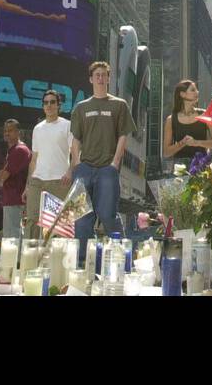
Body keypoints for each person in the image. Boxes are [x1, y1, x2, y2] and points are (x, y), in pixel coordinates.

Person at [68, 61, 133, 264]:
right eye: (97, 74)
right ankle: (82, 263)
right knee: (81, 220)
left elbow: (123, 136)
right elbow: (76, 139)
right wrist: (76, 164)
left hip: (107, 169)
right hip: (84, 167)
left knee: (107, 215)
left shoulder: (119, 105)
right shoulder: (81, 107)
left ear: (108, 78)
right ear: (90, 79)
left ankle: (123, 259)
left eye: (104, 75)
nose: (100, 78)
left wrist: (114, 163)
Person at [26, 90, 71, 239]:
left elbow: (76, 154)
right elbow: (34, 158)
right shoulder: (37, 128)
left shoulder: (67, 125)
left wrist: (70, 173)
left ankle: (55, 260)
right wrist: (28, 184)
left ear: (59, 105)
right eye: (46, 103)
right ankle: (29, 257)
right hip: (37, 181)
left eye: (52, 102)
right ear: (43, 106)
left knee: (58, 224)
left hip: (59, 181)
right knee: (32, 220)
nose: (49, 105)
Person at [163, 79, 212, 167]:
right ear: (182, 94)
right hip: (180, 170)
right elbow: (166, 152)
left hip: (201, 169)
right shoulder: (171, 119)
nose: (197, 92)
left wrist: (197, 142)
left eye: (197, 90)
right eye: (193, 90)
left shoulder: (206, 114)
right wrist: (182, 143)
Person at [0, 119, 31, 239]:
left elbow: (3, 176)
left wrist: (2, 177)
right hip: (12, 200)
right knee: (12, 235)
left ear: (18, 132)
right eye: (5, 131)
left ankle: (16, 259)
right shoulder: (13, 150)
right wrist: (2, 177)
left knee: (13, 238)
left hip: (16, 200)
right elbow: (2, 177)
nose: (7, 133)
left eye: (10, 130)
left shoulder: (20, 150)